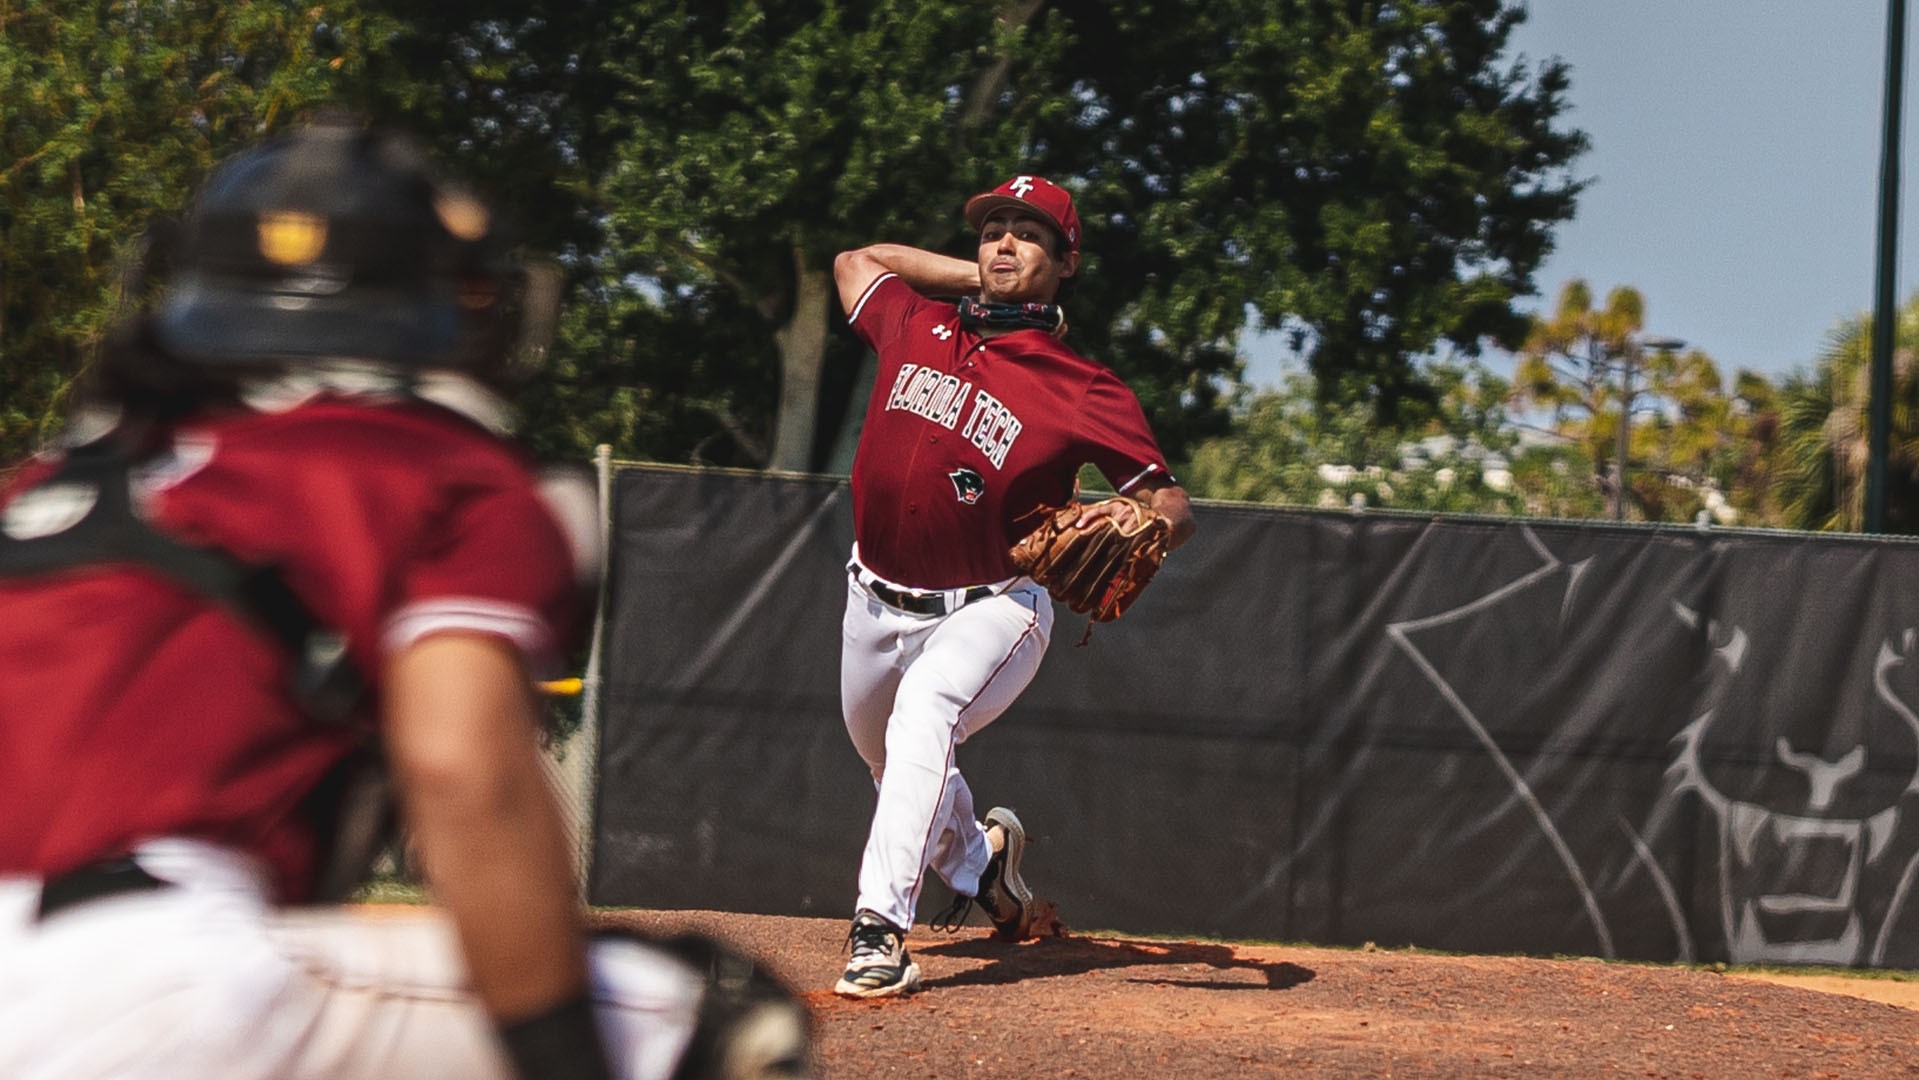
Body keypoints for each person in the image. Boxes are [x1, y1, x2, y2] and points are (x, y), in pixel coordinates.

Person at [0, 118, 810, 1079]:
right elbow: (460, 767)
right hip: (127, 979)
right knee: (711, 1020)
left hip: (93, 960)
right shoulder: (437, 467)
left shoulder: (38, 483)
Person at [829, 174, 1196, 997]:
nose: (1003, 242)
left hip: (993, 605)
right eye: (993, 228)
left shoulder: (1080, 384)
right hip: (872, 595)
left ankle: (879, 931)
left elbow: (1168, 501)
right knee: (892, 762)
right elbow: (859, 261)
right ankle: (982, 865)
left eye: (1027, 235)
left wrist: (1147, 525)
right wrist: (978, 276)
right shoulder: (914, 320)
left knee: (924, 713)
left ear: (1067, 263)